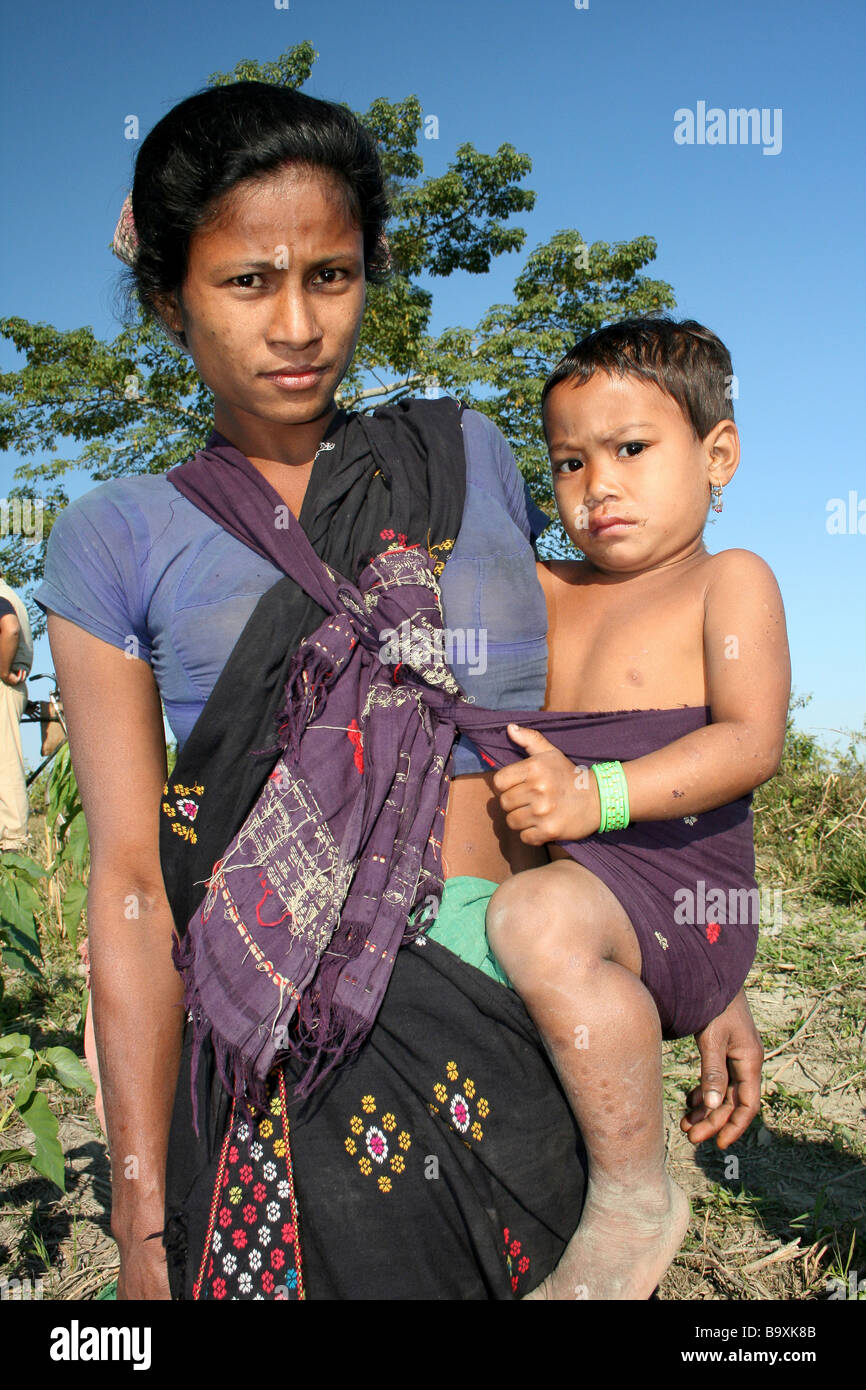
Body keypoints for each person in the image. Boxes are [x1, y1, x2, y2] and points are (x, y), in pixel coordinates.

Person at [34, 81, 764, 1300]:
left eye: (329, 274)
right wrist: (140, 1212)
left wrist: (704, 963)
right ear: (169, 297)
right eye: (244, 282)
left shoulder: (466, 454)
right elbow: (125, 890)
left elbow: (617, 701)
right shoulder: (114, 538)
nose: (296, 324)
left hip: (521, 1013)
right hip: (281, 1064)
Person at [480, 318, 790, 1299]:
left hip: (679, 890)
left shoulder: (723, 582)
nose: (594, 485)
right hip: (598, 902)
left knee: (531, 916)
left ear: (717, 455)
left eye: (628, 449)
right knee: (516, 920)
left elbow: (747, 743)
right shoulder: (543, 591)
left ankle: (632, 1192)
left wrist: (592, 793)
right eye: (567, 462)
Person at [0, 567, 33, 853]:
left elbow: (9, 628)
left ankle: (12, 842)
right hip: (12, 684)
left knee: (5, 762)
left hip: (4, 683)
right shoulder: (9, 593)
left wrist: (3, 670)